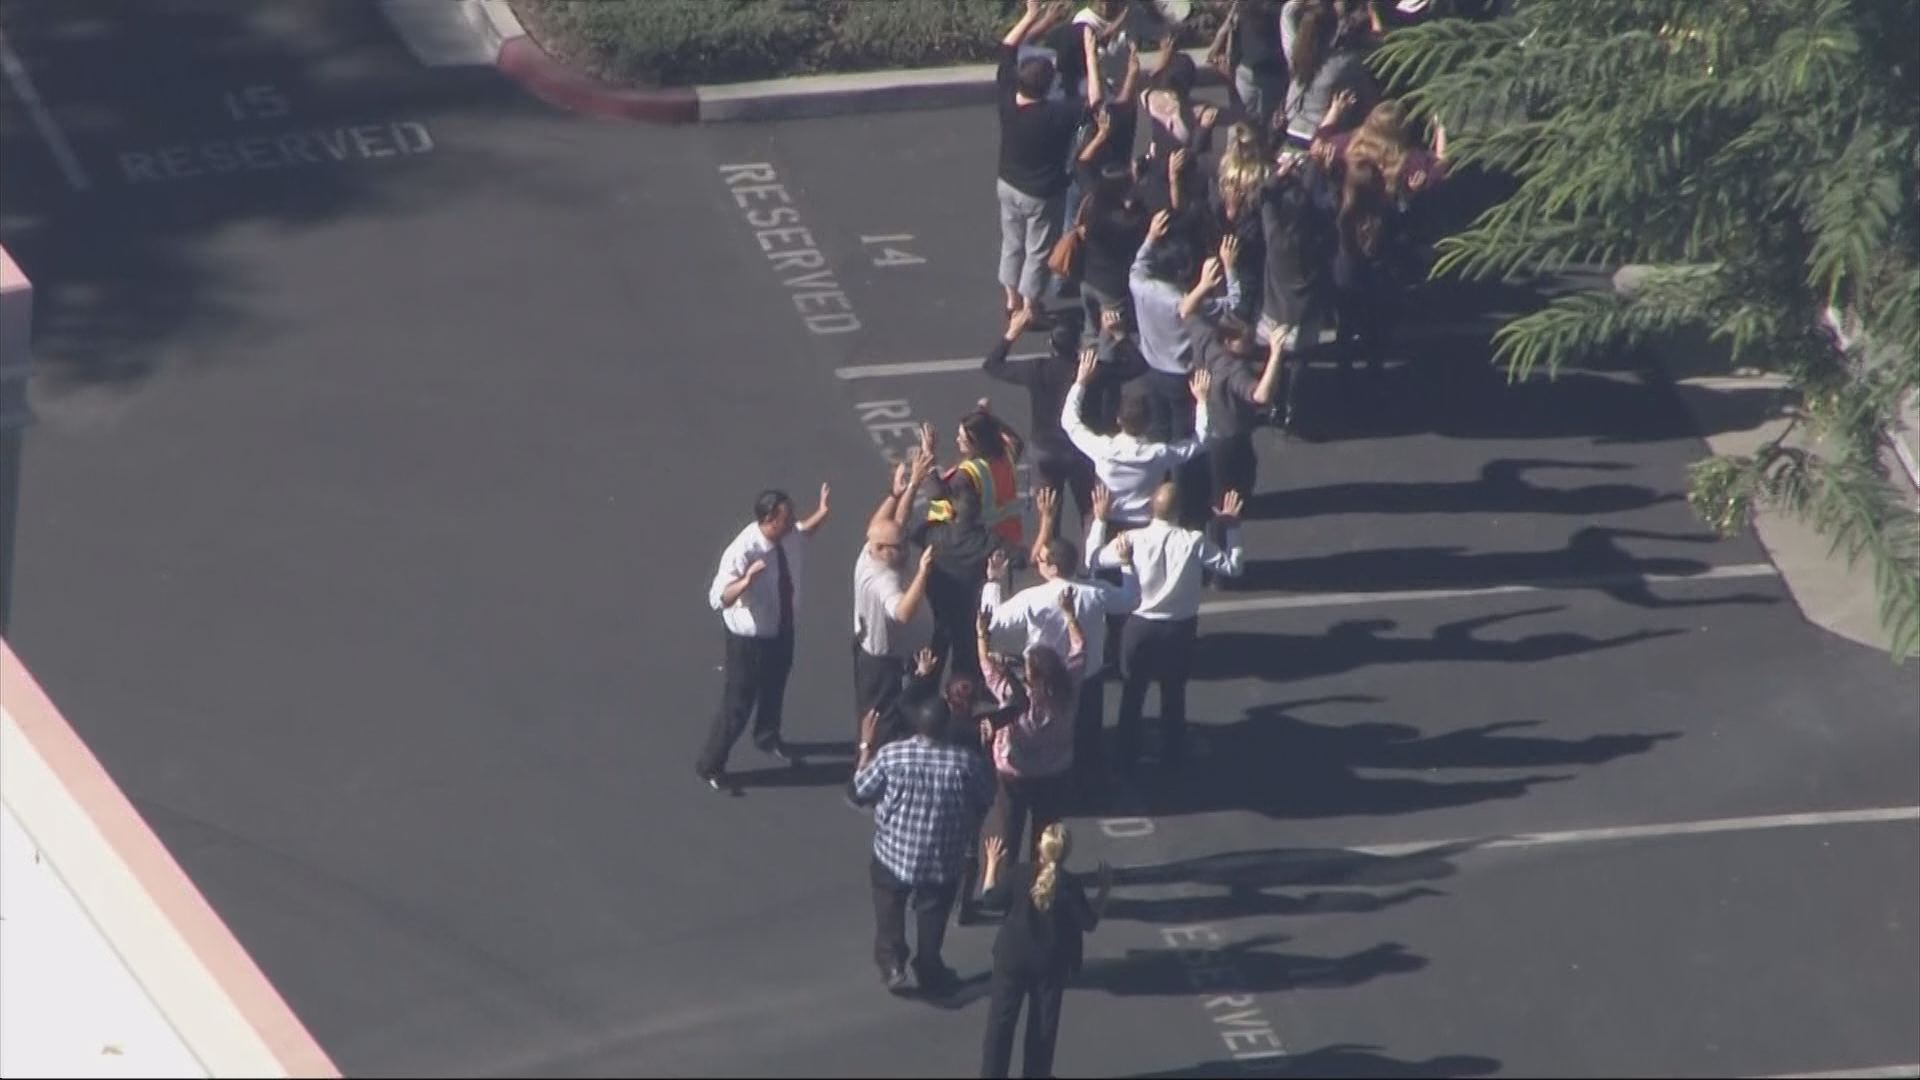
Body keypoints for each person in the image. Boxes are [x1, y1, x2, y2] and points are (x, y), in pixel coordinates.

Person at [980, 484, 1139, 788]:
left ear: (1052, 567)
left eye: (1041, 559)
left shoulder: (1032, 599)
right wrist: (1127, 563)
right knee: (1088, 736)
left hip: (1042, 679)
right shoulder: (1095, 593)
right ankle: (1088, 782)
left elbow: (992, 623)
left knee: (1042, 733)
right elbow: (1131, 599)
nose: (1037, 561)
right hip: (1087, 676)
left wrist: (993, 582)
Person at [1089, 482, 1246, 775]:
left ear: (1151, 507)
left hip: (1139, 627)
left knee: (1132, 693)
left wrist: (1100, 519)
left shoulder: (1131, 539)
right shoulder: (1194, 541)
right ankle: (1173, 758)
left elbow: (1093, 559)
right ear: (1180, 511)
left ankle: (1125, 757)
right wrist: (1232, 528)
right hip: (1179, 630)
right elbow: (1233, 567)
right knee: (1174, 694)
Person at [852, 698, 996, 995]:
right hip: (942, 858)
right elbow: (986, 795)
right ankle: (929, 966)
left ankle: (892, 963)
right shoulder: (964, 763)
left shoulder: (893, 756)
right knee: (933, 914)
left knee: (889, 908)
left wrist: (866, 747)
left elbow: (862, 789)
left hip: (893, 853)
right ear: (947, 728)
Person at [696, 485, 829, 791]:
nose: (792, 521)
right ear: (769, 520)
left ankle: (767, 736)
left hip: (782, 630)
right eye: (786, 517)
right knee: (738, 705)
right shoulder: (742, 551)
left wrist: (821, 513)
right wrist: (745, 582)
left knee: (775, 688)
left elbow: (803, 531)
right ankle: (711, 764)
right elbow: (718, 598)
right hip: (749, 642)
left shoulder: (788, 535)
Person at [998, 0, 1102, 327]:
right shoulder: (1057, 114)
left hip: (1008, 183)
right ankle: (1030, 306)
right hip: (1042, 193)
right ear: (1047, 86)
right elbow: (1095, 101)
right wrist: (1090, 53)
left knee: (1012, 243)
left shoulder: (1007, 99)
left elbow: (1007, 46)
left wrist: (1031, 16)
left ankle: (1011, 299)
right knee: (1037, 250)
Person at [977, 824, 1111, 1079]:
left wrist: (992, 863)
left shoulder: (1019, 874)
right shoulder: (1070, 885)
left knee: (1001, 1023)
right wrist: (1104, 890)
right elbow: (1089, 922)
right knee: (1042, 1024)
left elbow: (990, 899)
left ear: (1040, 847)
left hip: (1012, 956)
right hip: (1050, 963)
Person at [976, 583, 1084, 889]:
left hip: (1013, 773)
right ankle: (1043, 881)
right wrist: (1070, 615)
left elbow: (987, 668)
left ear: (1031, 676)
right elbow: (1079, 648)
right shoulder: (1069, 688)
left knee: (1008, 829)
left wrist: (982, 634)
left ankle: (1002, 882)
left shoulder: (1014, 695)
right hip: (1055, 770)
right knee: (1044, 832)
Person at [1061, 348, 1214, 529]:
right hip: (1145, 525)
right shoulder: (1158, 453)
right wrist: (1202, 400)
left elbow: (1069, 422)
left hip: (1106, 520)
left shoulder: (1102, 449)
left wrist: (1081, 382)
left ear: (1118, 420)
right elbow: (1201, 441)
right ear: (1148, 423)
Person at [985, 307, 1097, 527]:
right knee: (1089, 512)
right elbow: (1134, 366)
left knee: (1048, 516)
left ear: (1051, 345)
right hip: (1079, 449)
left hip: (1045, 450)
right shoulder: (1088, 371)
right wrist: (1116, 335)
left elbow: (993, 365)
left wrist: (1012, 332)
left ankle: (1050, 557)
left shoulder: (1038, 369)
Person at [853, 464, 937, 741]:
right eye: (898, 547)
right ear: (880, 549)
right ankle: (871, 763)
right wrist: (923, 573)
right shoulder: (882, 579)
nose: (905, 550)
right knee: (882, 719)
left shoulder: (872, 549)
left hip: (895, 653)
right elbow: (901, 613)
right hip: (884, 661)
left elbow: (892, 524)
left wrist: (906, 489)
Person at [916, 474, 1013, 687]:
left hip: (936, 611)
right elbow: (1022, 557)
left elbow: (907, 535)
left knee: (931, 660)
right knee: (965, 668)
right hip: (968, 614)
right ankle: (963, 698)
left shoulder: (934, 533)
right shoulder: (989, 541)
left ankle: (924, 696)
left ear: (953, 509)